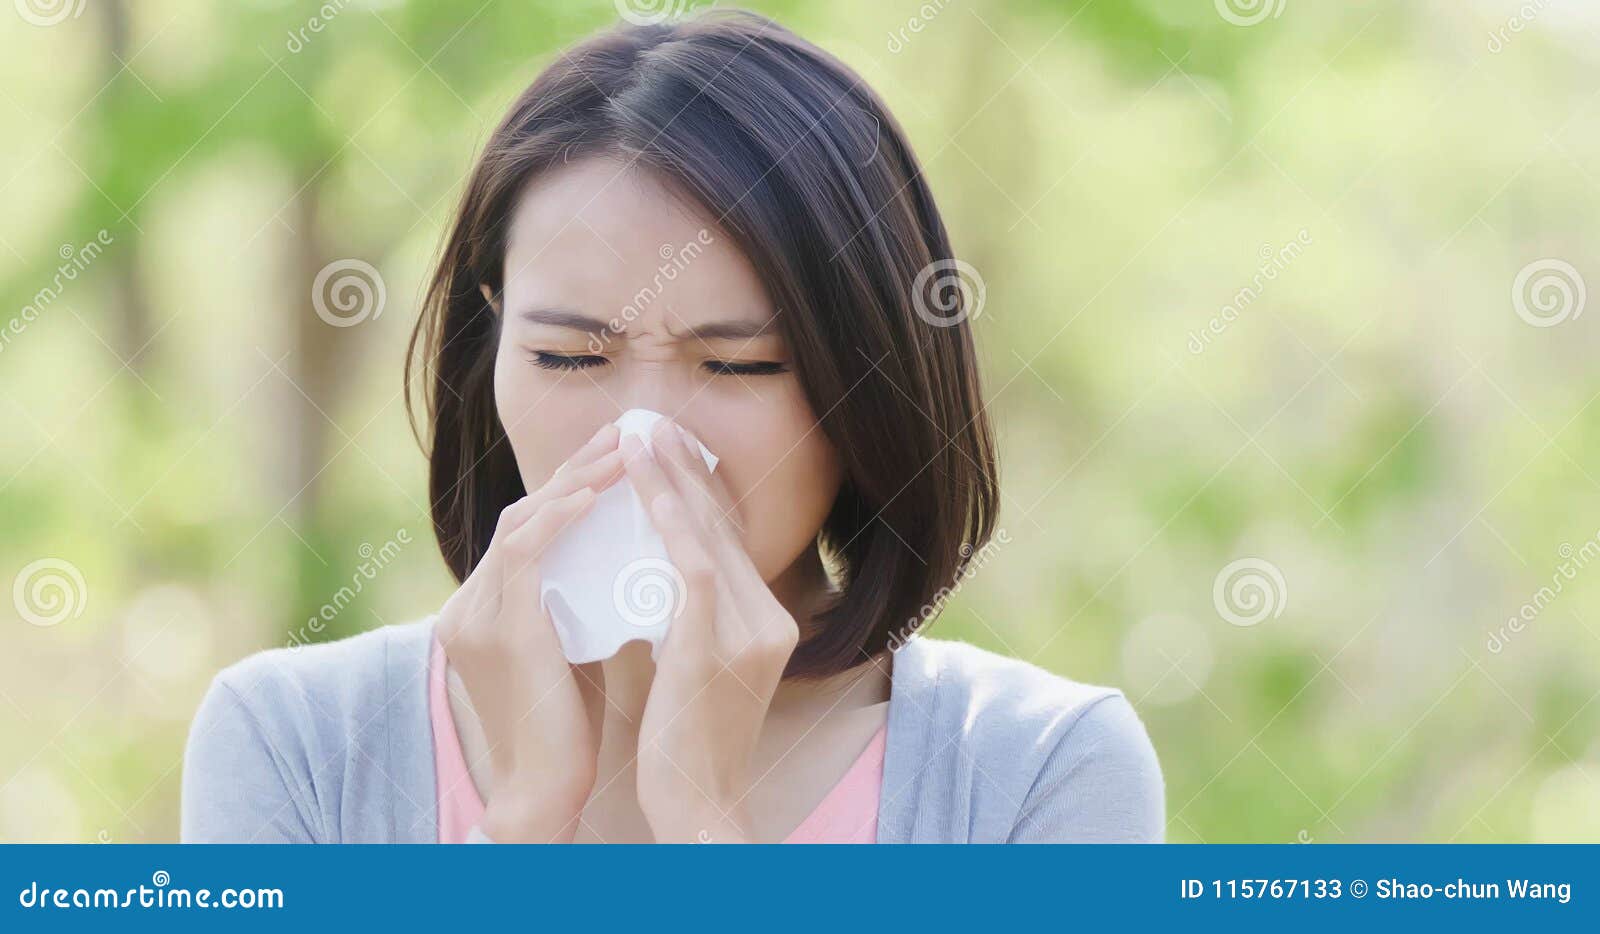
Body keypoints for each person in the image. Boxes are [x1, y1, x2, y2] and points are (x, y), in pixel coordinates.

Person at [181, 8, 1163, 844]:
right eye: (569, 357)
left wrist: (703, 826)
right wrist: (519, 824)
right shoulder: (296, 741)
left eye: (736, 364)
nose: (643, 435)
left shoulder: (1033, 769)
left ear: (865, 382)